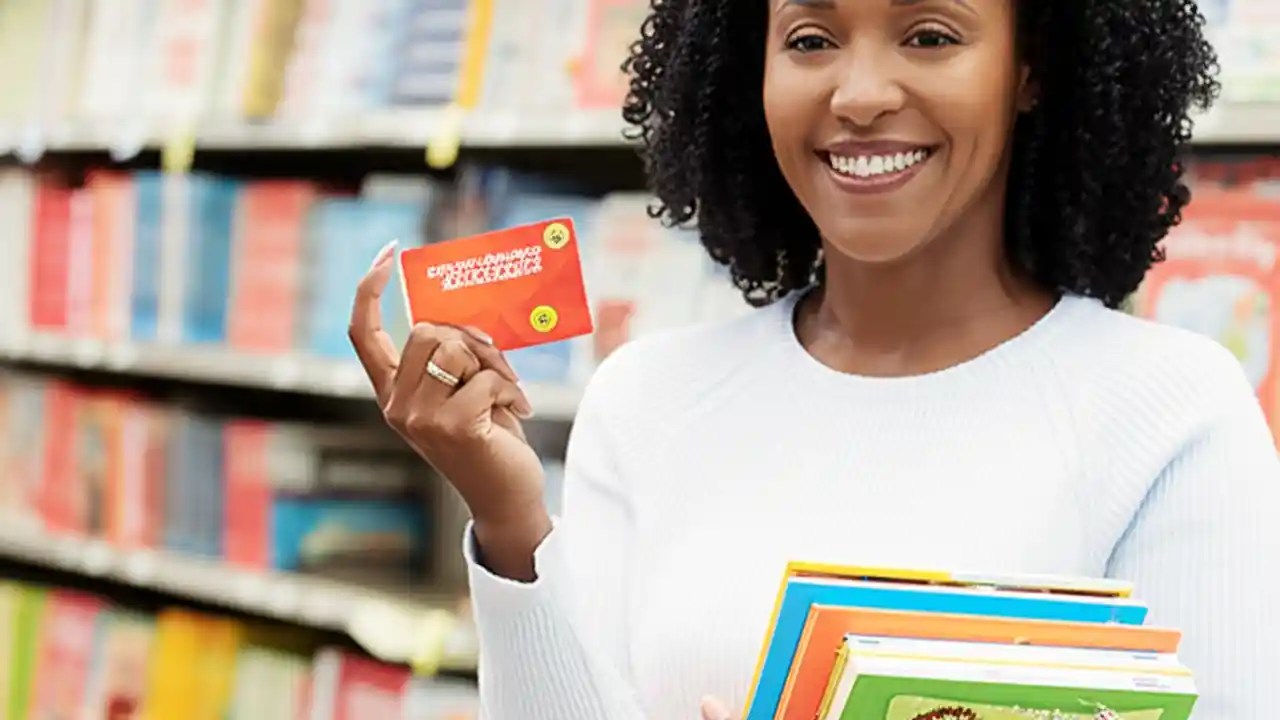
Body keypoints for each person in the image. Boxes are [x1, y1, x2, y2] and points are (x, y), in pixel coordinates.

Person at [349, 0, 1280, 717]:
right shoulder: (648, 397)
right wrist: (510, 523)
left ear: (1031, 67)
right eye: (808, 39)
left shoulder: (1171, 412)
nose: (860, 94)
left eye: (928, 35)